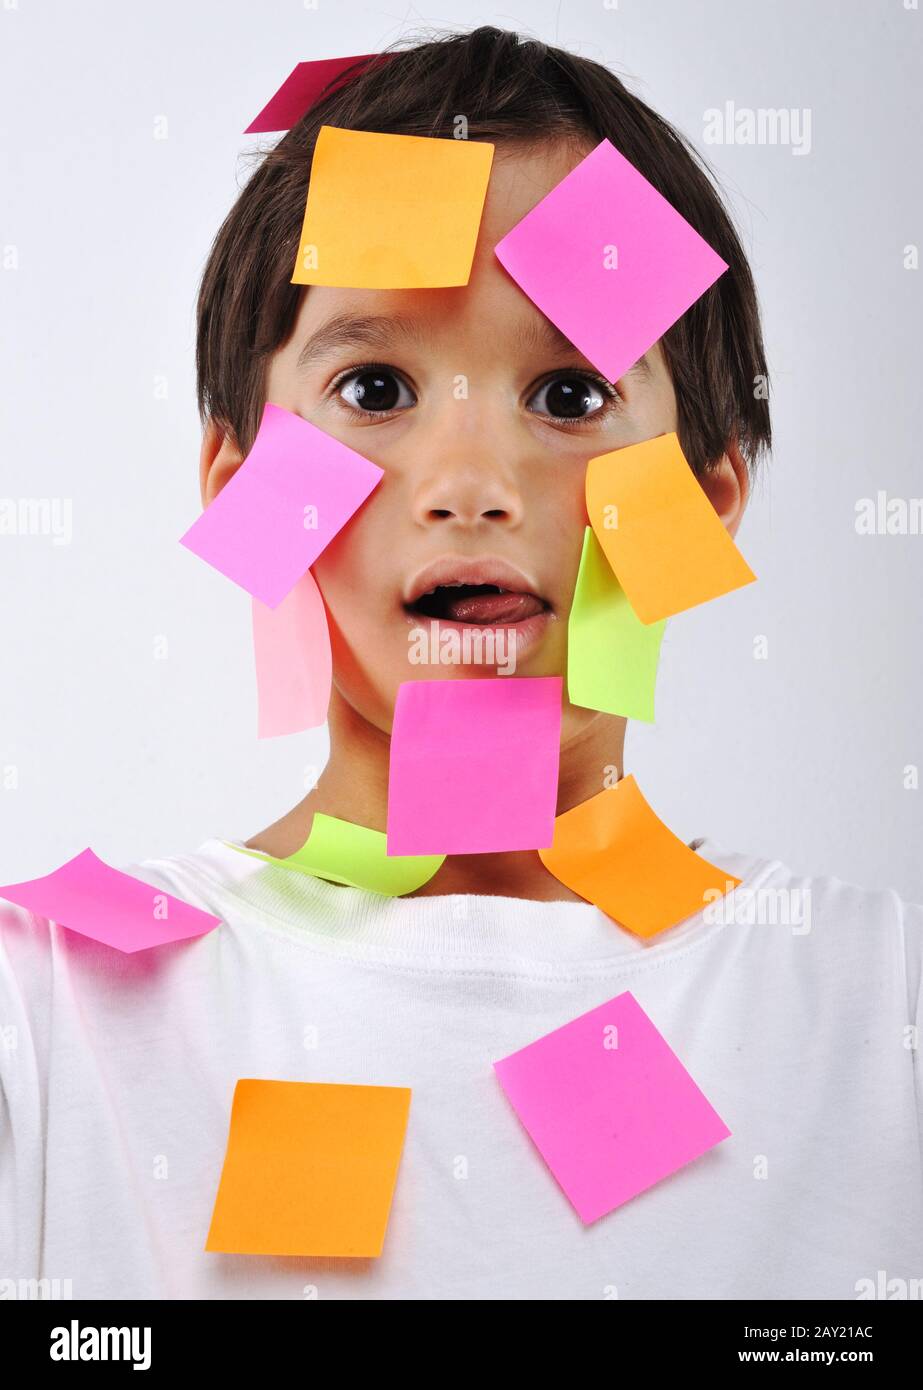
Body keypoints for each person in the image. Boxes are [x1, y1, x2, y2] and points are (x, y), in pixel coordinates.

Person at [1, 26, 920, 1301]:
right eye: (374, 386)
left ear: (700, 509)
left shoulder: (880, 1008)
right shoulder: (47, 1015)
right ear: (243, 488)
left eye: (568, 395)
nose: (471, 487)